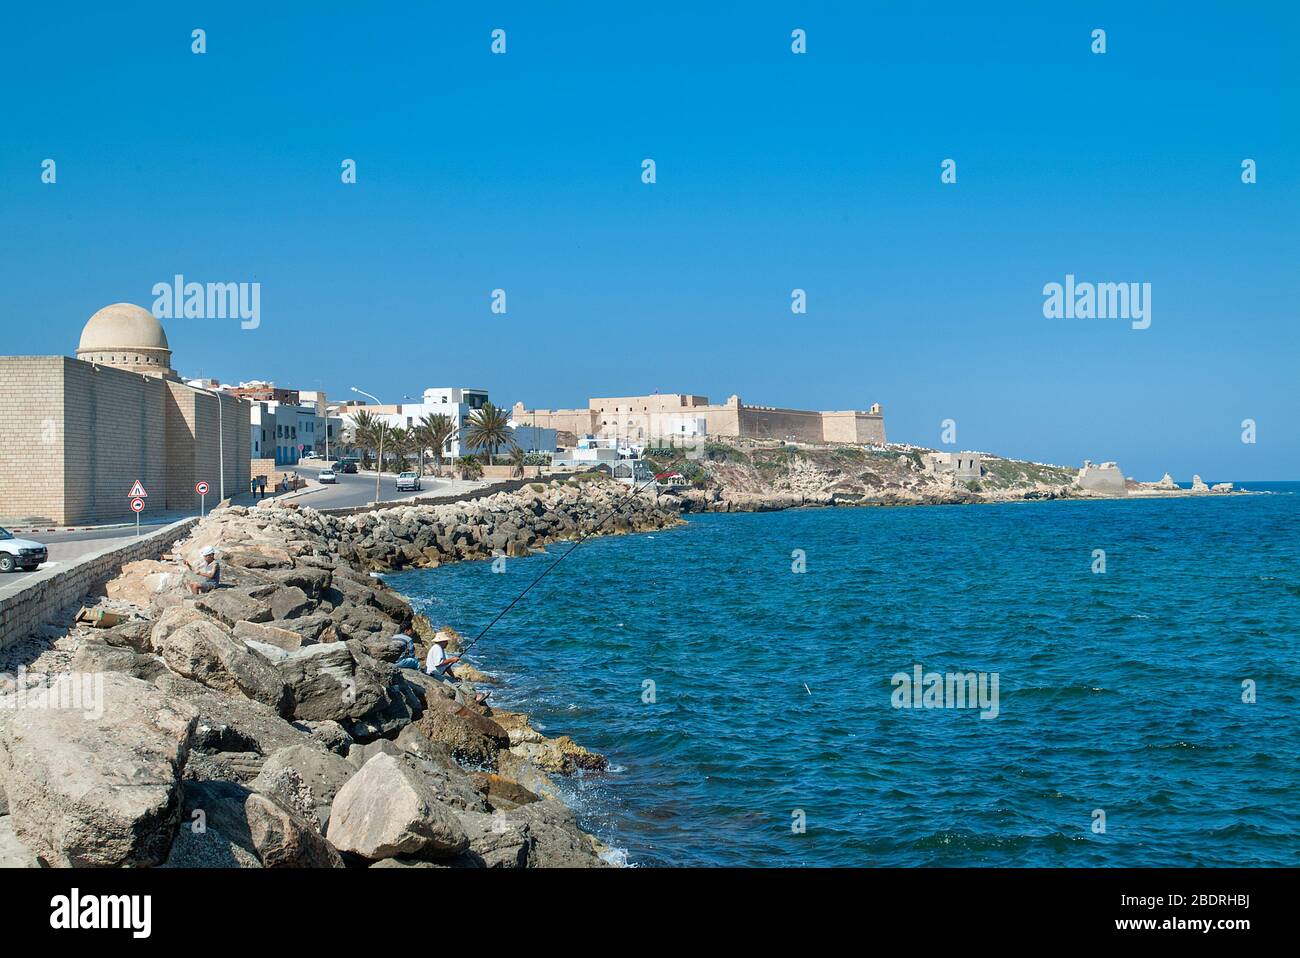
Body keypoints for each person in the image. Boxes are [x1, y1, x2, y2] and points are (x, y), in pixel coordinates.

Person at [425, 632, 490, 704]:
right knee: (454, 689)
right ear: (442, 641)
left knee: (457, 682)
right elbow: (438, 664)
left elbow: (446, 667)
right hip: (434, 675)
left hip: (438, 675)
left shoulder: (440, 649)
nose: (447, 643)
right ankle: (464, 704)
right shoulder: (437, 648)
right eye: (446, 641)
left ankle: (475, 696)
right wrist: (451, 660)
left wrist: (453, 676)